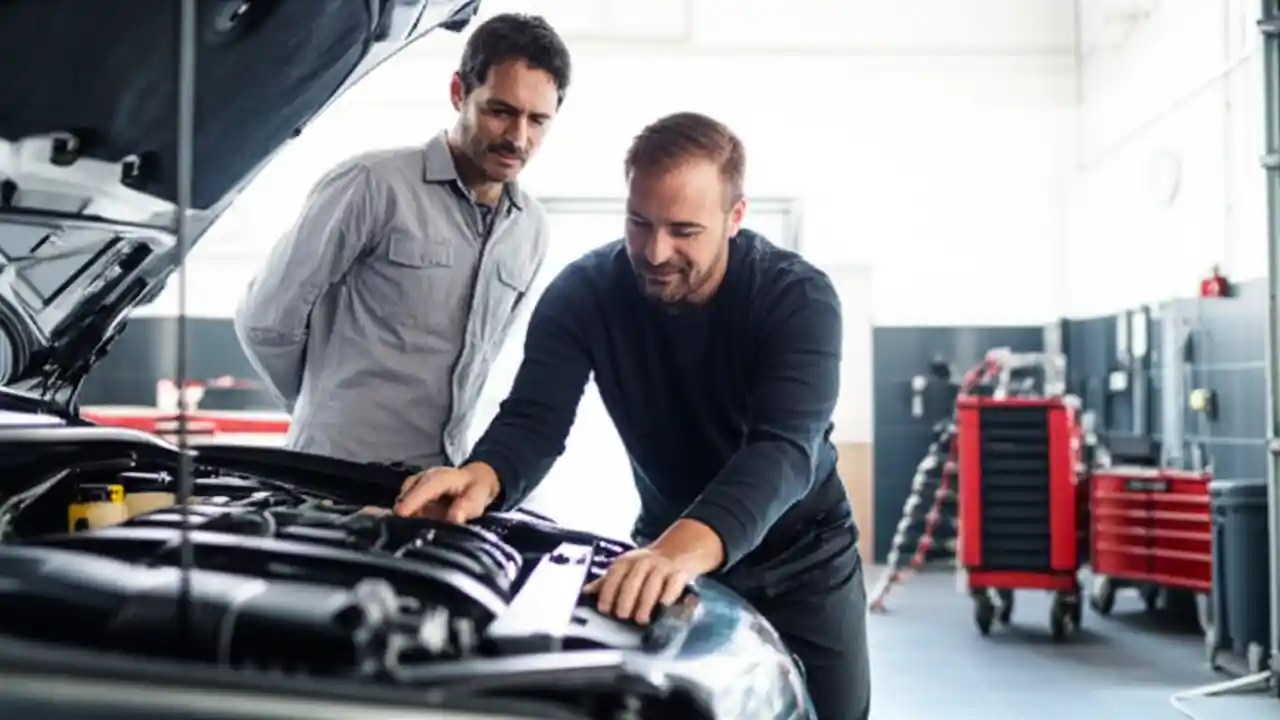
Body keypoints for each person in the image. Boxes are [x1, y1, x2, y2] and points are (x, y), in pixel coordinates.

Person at [394, 111, 871, 720]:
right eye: (639, 222)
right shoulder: (584, 293)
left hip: (802, 562)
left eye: (684, 230)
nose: (654, 251)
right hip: (666, 553)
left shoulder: (798, 300)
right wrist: (481, 477)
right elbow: (535, 420)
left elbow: (782, 450)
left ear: (735, 217)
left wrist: (676, 553)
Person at [233, 13, 570, 469]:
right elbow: (266, 322)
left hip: (436, 484)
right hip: (333, 476)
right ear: (459, 93)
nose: (518, 137)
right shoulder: (372, 184)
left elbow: (483, 365)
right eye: (501, 111)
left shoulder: (531, 229)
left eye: (538, 120)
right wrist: (324, 410)